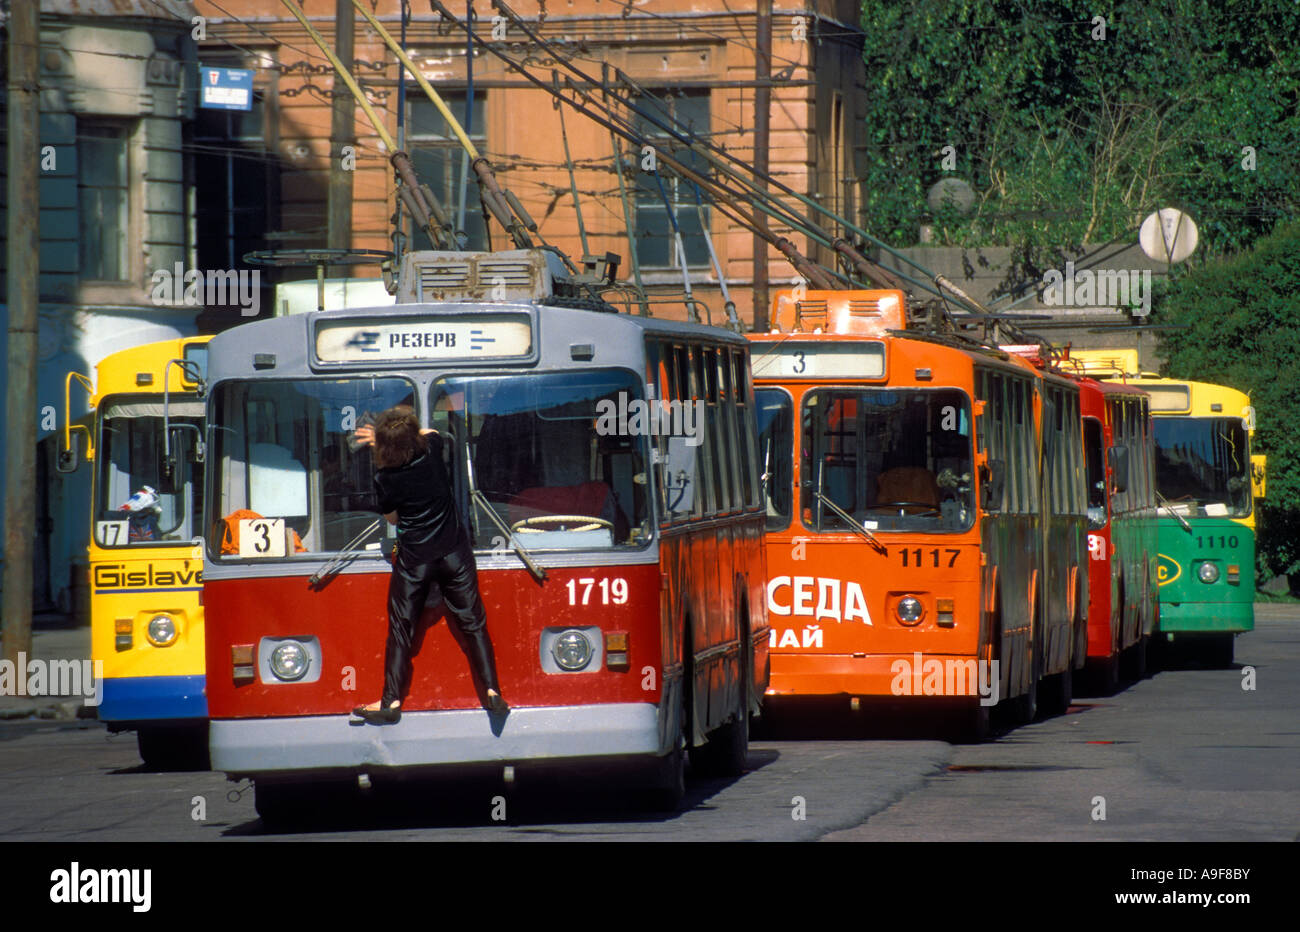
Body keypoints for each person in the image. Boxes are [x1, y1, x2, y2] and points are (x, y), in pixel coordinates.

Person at [352, 405, 507, 724]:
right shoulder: (433, 453)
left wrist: (381, 444)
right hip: (453, 553)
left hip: (415, 562)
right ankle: (492, 691)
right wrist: (398, 434)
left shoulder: (384, 478)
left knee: (400, 629)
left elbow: (393, 518)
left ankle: (391, 702)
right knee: (473, 623)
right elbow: (430, 433)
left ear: (383, 448)